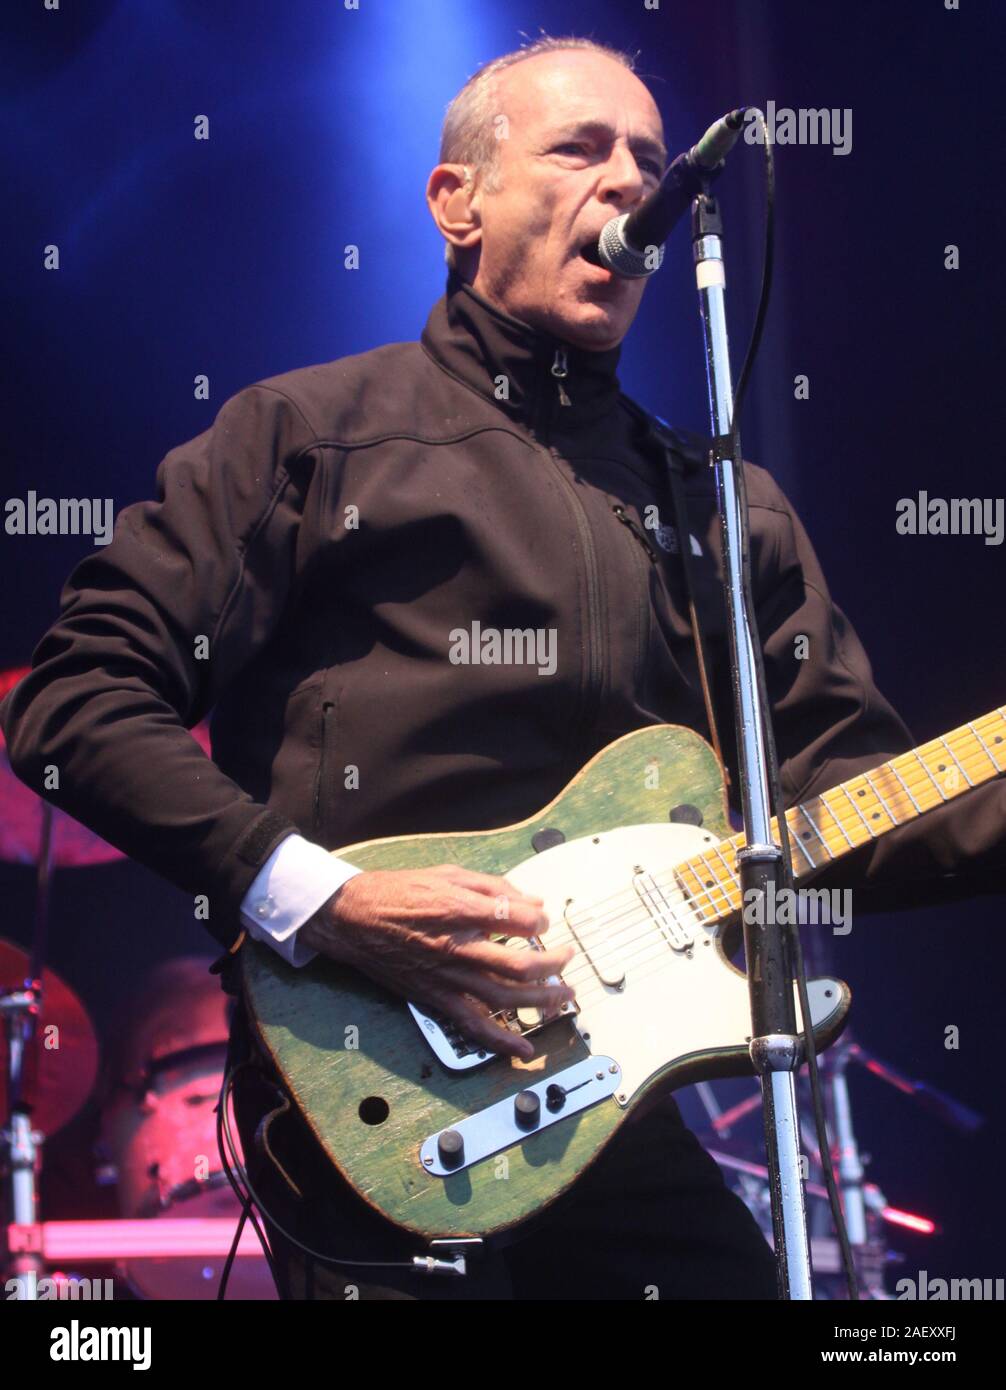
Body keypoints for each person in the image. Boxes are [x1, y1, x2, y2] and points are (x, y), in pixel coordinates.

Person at [4, 37, 1003, 1301]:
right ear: (454, 201)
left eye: (648, 158)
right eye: (580, 149)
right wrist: (316, 898)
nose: (630, 183)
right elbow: (76, 696)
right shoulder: (309, 438)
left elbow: (848, 807)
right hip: (371, 1078)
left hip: (610, 1093)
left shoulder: (720, 512)